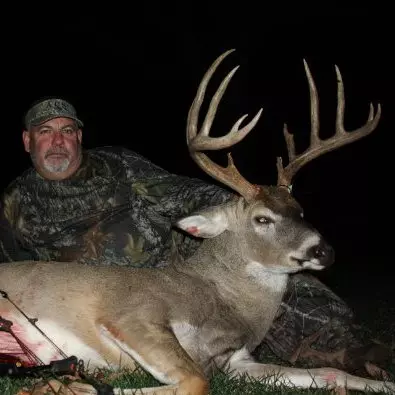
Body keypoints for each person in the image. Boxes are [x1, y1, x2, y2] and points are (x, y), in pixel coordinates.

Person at [0, 97, 391, 378]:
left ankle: (349, 346)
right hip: (97, 297)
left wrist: (245, 208)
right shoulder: (15, 201)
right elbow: (12, 267)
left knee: (270, 270)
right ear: (27, 141)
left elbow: (181, 192)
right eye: (45, 132)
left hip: (171, 272)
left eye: (67, 131)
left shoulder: (117, 165)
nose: (57, 140)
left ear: (79, 137)